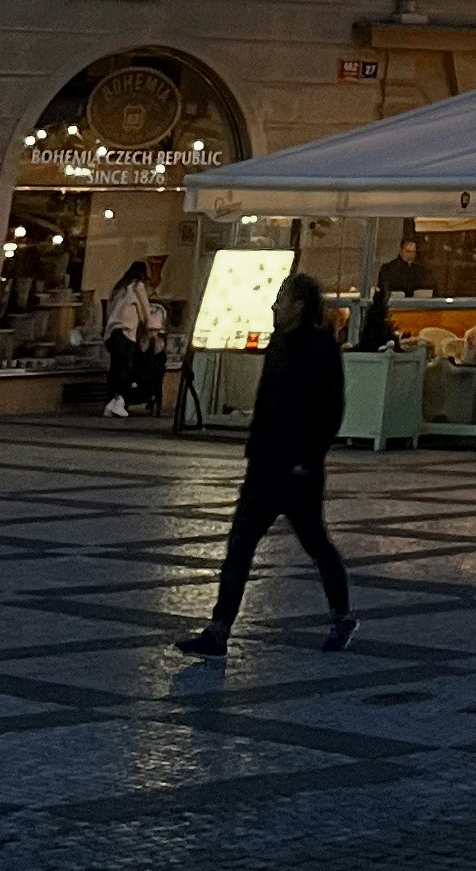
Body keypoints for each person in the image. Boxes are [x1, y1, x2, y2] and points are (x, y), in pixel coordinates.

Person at [179, 273, 354, 655]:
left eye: (281, 299)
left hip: (296, 472)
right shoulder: (279, 345)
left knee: (316, 543)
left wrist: (306, 459)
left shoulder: (320, 348)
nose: (275, 306)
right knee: (239, 545)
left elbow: (329, 410)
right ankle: (218, 630)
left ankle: (341, 615)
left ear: (299, 306)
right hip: (264, 467)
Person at [101, 262, 166, 419]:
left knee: (115, 367)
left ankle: (112, 402)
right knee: (126, 367)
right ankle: (119, 401)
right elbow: (145, 311)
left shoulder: (120, 288)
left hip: (111, 333)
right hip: (126, 331)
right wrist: (153, 331)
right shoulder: (138, 286)